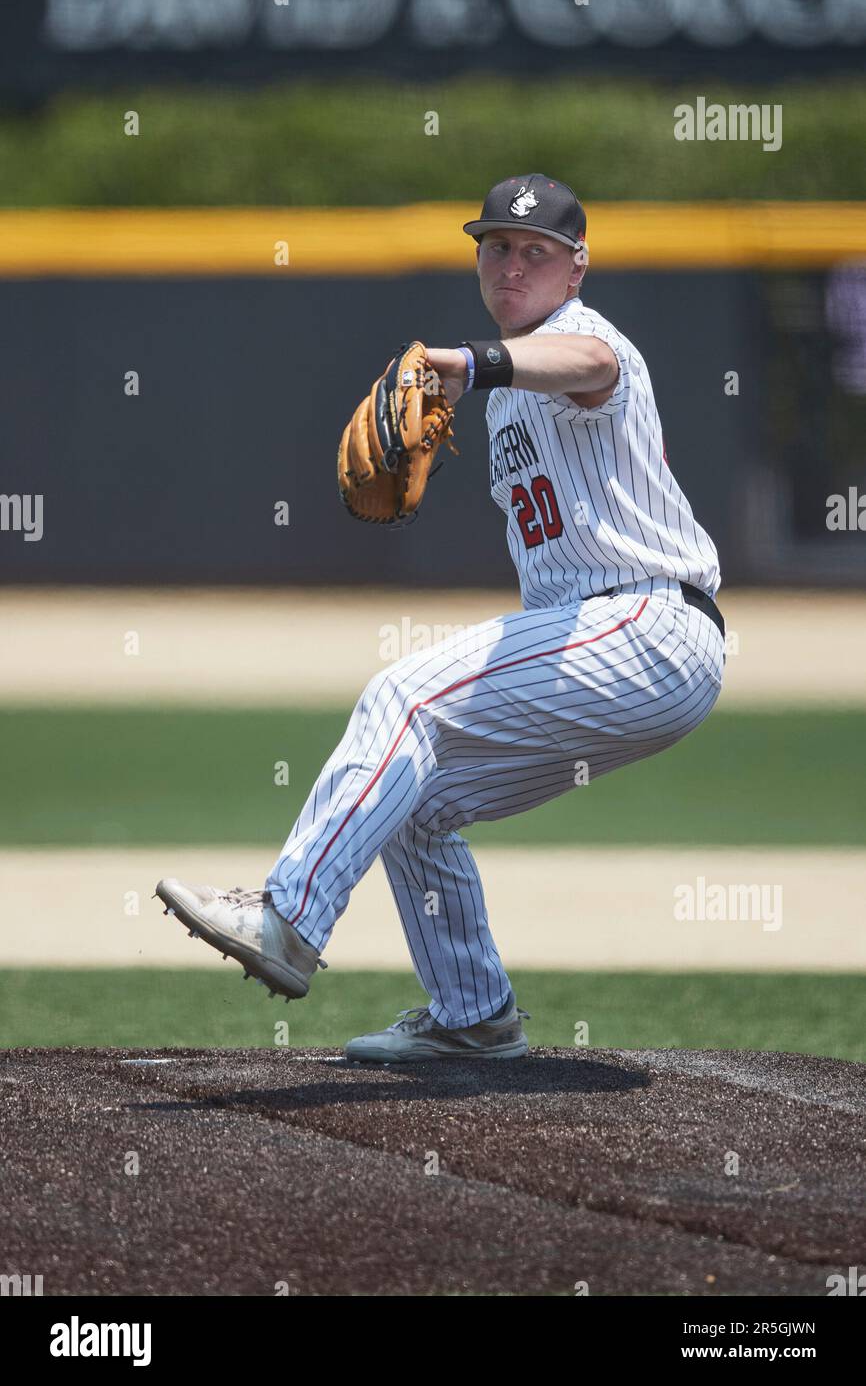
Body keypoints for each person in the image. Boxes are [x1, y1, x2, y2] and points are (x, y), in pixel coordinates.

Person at [156, 173, 725, 1063]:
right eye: (496, 246)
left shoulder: (583, 337)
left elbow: (593, 370)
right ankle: (475, 1016)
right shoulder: (502, 398)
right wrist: (480, 377)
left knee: (405, 694)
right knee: (411, 799)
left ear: (576, 270)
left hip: (651, 623)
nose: (511, 265)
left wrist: (473, 361)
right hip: (607, 642)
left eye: (536, 253)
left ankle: (287, 919)